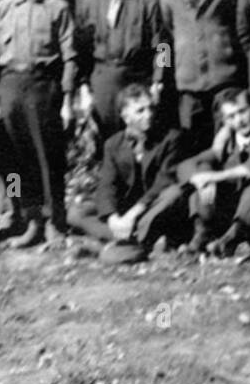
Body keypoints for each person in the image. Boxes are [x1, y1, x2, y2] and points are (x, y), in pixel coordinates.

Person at [0, 0, 78, 248]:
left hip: (43, 88)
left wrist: (68, 100)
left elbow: (71, 57)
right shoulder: (0, 11)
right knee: (16, 160)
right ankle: (31, 220)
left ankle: (54, 222)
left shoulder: (57, 7)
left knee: (48, 158)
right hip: (10, 88)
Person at [65, 84, 188, 264]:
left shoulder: (171, 138)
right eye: (140, 111)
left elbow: (163, 182)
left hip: (152, 207)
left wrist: (132, 215)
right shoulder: (113, 144)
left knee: (174, 193)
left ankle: (112, 244)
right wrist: (113, 218)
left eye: (150, 108)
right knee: (76, 212)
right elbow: (107, 185)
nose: (149, 114)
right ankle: (132, 241)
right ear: (125, 116)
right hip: (125, 211)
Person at [157, 0, 246, 148]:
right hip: (188, 81)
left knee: (227, 139)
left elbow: (240, 22)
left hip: (224, 77)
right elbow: (166, 33)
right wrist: (160, 75)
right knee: (192, 142)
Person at [179, 89, 250, 261]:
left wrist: (215, 177)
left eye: (242, 111)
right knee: (200, 189)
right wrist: (201, 179)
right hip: (231, 209)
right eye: (231, 117)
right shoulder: (225, 145)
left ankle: (229, 240)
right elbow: (185, 166)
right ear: (224, 121)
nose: (239, 120)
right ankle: (201, 236)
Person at [76, 0, 165, 143]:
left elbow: (162, 45)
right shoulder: (89, 5)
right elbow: (81, 51)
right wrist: (83, 87)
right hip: (104, 79)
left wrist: (158, 80)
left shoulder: (147, 2)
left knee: (142, 135)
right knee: (107, 137)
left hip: (136, 76)